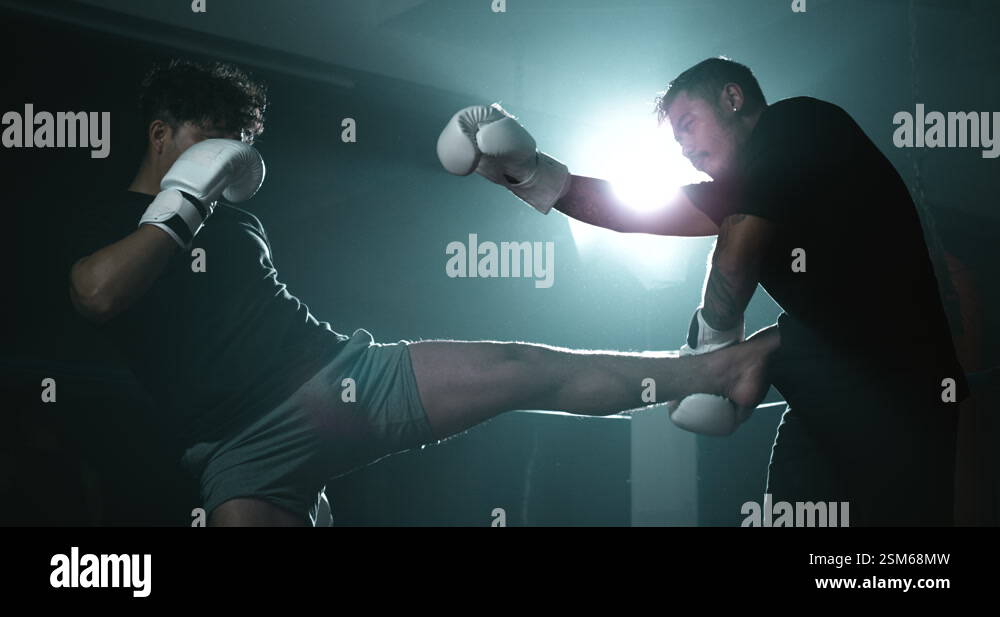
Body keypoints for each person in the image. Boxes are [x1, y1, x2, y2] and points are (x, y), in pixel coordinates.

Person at [67, 59, 779, 527]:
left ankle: (716, 367)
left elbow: (667, 211)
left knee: (519, 366)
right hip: (234, 452)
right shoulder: (104, 226)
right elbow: (97, 295)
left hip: (336, 380)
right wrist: (181, 202)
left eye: (237, 147)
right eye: (211, 143)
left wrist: (528, 174)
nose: (227, 164)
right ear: (161, 135)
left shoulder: (233, 217)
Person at [442, 57, 969, 526]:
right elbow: (639, 213)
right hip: (830, 385)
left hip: (899, 390)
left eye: (689, 125)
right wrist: (532, 174)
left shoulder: (797, 121)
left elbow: (739, 245)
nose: (687, 148)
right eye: (677, 141)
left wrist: (714, 350)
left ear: (733, 98)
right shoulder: (750, 184)